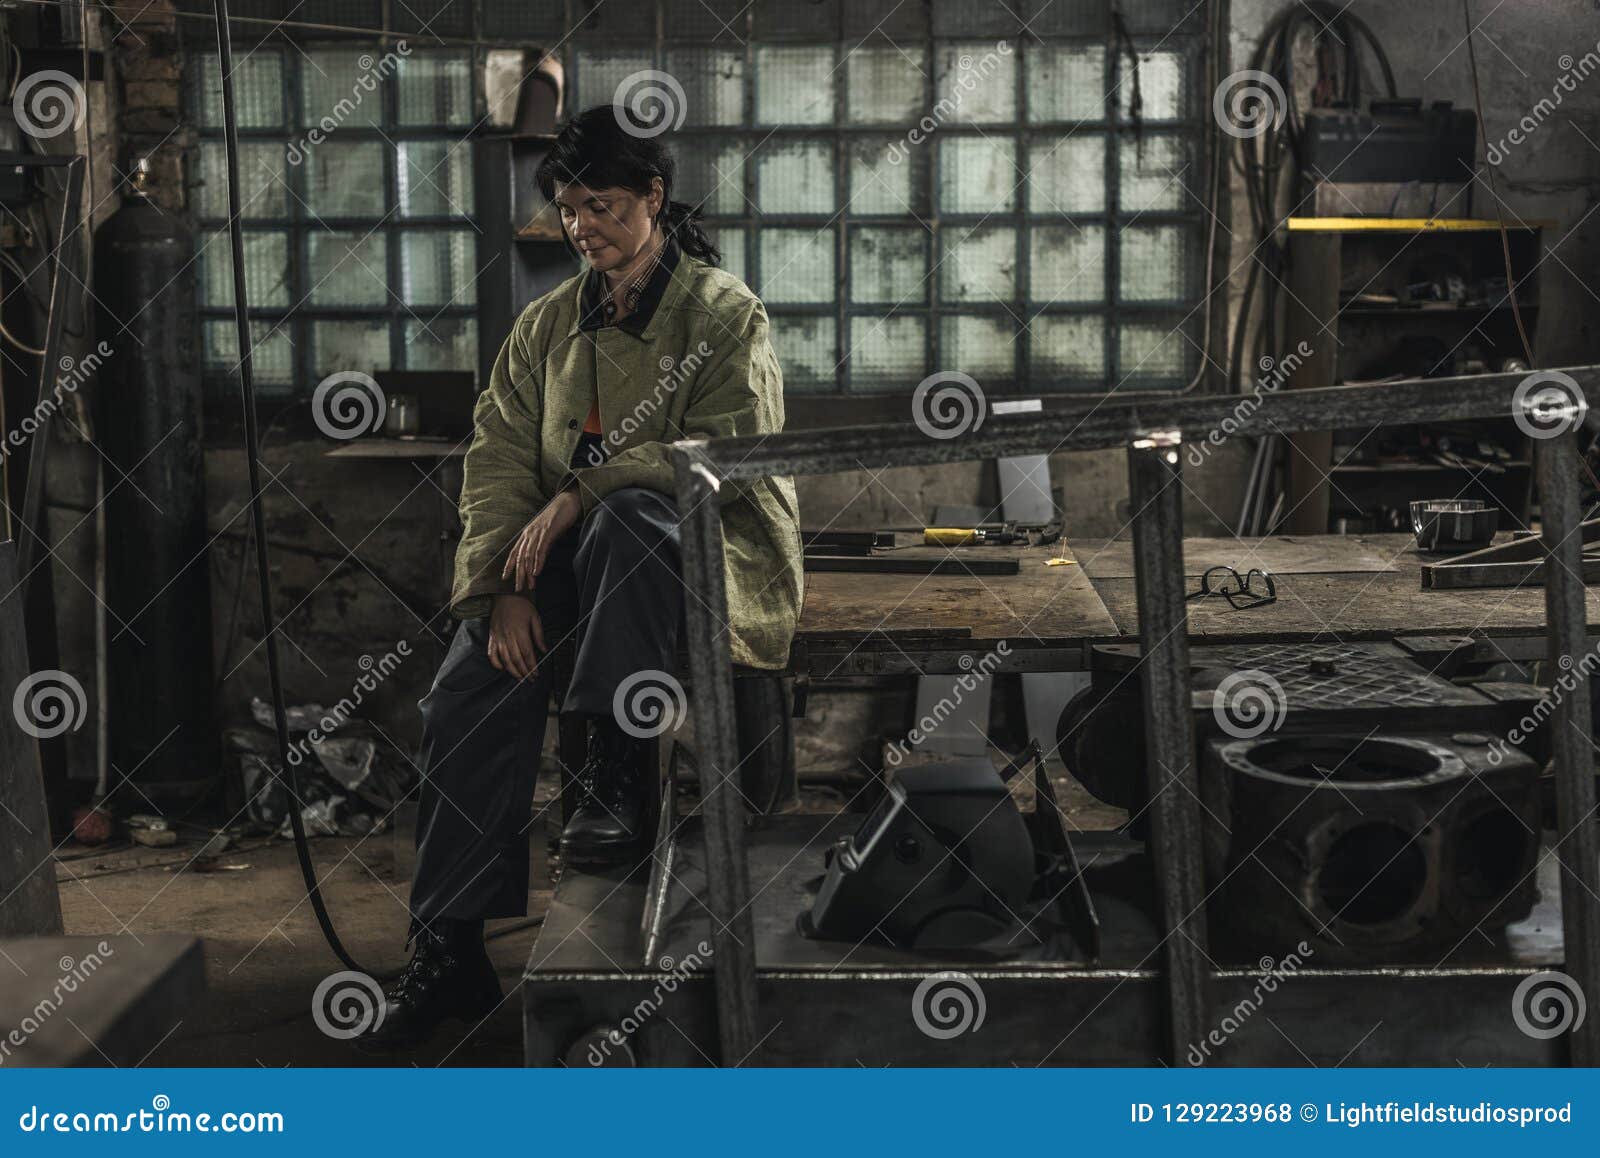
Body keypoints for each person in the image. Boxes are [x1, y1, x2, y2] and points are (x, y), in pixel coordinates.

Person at [364, 105, 803, 1048]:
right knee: (470, 684)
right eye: (568, 209)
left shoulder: (723, 314)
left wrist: (586, 490)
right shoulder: (547, 325)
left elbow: (734, 449)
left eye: (601, 205)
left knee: (632, 518)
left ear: (653, 197)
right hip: (568, 570)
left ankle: (609, 771)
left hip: (697, 554)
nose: (582, 228)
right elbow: (496, 462)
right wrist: (501, 591)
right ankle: (449, 947)